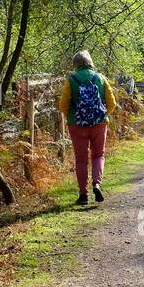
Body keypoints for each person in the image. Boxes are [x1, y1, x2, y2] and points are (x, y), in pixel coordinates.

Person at [57, 50, 116, 206]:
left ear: (76, 64)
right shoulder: (101, 78)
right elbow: (112, 103)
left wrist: (73, 117)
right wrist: (102, 115)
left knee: (81, 159)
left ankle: (83, 195)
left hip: (77, 125)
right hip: (99, 123)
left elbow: (63, 105)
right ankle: (96, 184)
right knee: (98, 155)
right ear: (90, 62)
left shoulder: (71, 80)